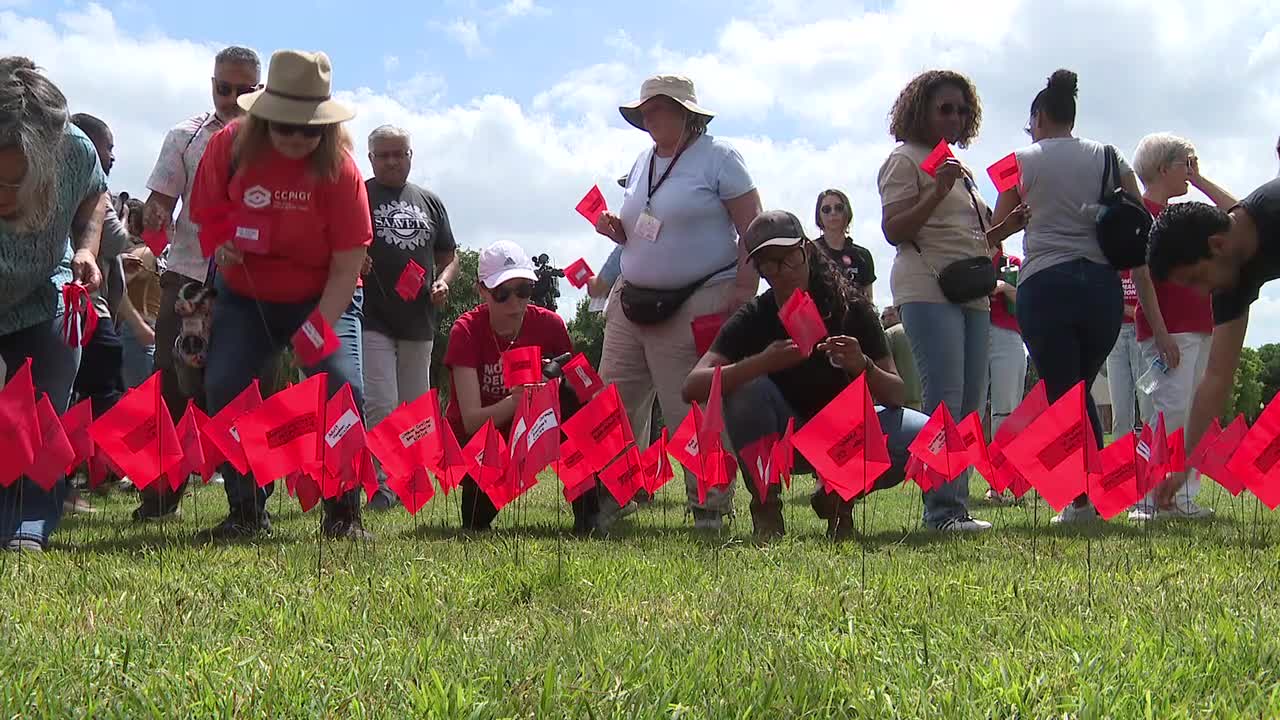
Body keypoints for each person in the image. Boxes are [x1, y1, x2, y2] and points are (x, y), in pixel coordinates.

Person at [188, 49, 372, 541]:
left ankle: (343, 512)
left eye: (308, 128)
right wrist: (221, 239)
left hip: (323, 295)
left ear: (326, 128)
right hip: (247, 297)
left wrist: (317, 328)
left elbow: (349, 262)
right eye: (283, 125)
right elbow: (205, 211)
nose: (295, 137)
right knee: (226, 386)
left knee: (340, 387)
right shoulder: (228, 146)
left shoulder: (342, 171)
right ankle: (246, 510)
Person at [683, 211, 934, 538]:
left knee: (921, 433)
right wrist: (760, 363)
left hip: (847, 436)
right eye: (769, 266)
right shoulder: (755, 315)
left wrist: (863, 365)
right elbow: (692, 386)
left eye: (789, 259)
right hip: (786, 440)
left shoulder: (852, 308)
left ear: (807, 250)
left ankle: (838, 496)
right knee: (744, 388)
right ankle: (766, 507)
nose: (783, 273)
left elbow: (897, 395)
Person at [592, 75, 762, 532]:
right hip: (631, 299)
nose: (647, 117)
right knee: (613, 402)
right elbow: (641, 230)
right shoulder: (643, 159)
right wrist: (615, 228)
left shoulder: (720, 159)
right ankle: (611, 497)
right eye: (643, 110)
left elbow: (754, 229)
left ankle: (710, 505)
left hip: (698, 295)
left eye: (657, 108)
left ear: (686, 113)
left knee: (689, 405)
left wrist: (744, 292)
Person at [877, 69, 1025, 531]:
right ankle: (942, 510)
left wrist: (1006, 228)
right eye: (946, 108)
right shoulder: (904, 161)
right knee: (945, 399)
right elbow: (894, 230)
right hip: (926, 288)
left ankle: (955, 505)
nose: (956, 117)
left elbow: (972, 237)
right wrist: (937, 188)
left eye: (962, 110)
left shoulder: (960, 170)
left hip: (971, 293)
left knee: (970, 402)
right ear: (921, 110)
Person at [991, 69, 1138, 524]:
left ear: (1038, 117)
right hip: (1100, 288)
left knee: (1065, 394)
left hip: (1045, 283)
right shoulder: (1110, 156)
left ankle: (1081, 499)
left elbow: (996, 230)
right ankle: (1089, 496)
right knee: (1080, 390)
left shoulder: (1017, 160)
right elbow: (1136, 212)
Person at [137, 45, 262, 521]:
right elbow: (160, 204)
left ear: (261, 87)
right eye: (222, 87)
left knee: (245, 390)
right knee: (170, 385)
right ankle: (159, 497)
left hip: (252, 285)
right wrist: (152, 216)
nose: (230, 98)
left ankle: (249, 506)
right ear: (211, 83)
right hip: (189, 277)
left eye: (242, 90)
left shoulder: (276, 138)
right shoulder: (185, 136)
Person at [0, 57, 108, 551]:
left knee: (45, 401)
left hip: (46, 291)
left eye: (14, 183)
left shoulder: (76, 151)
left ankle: (30, 519)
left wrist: (85, 247)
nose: (5, 196)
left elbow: (94, 198)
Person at [1144, 178, 1280, 509]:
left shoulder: (1274, 213)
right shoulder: (1230, 283)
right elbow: (1216, 377)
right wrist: (1184, 464)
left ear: (1217, 245)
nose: (1201, 293)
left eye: (1195, 279)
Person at [443, 241, 590, 532]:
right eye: (502, 293)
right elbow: (472, 421)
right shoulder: (466, 331)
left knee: (573, 398)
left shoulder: (550, 325)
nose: (515, 302)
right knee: (475, 523)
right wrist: (520, 398)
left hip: (533, 433)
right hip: (485, 443)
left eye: (524, 290)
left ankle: (590, 511)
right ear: (481, 291)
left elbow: (588, 395)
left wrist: (557, 383)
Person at [1128, 133, 1237, 521]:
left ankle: (1182, 496)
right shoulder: (1141, 212)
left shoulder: (1183, 216)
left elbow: (1235, 215)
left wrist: (1203, 181)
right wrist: (1159, 333)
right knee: (1168, 412)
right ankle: (1148, 498)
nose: (1190, 175)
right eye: (1185, 166)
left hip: (1201, 326)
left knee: (1193, 415)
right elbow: (1141, 280)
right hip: (1169, 331)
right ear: (1163, 168)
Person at [360, 125, 459, 511]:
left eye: (398, 154)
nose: (391, 161)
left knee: (416, 406)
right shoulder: (359, 195)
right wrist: (355, 258)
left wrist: (445, 283)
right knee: (382, 401)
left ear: (410, 155)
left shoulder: (430, 201)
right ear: (370, 158)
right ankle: (382, 484)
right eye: (383, 155)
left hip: (419, 318)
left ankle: (411, 482)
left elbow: (449, 256)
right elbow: (335, 241)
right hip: (371, 315)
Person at [985, 247, 1027, 501]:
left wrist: (1004, 288)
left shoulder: (1012, 263)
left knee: (1006, 411)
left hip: (1008, 335)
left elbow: (1027, 301)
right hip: (974, 332)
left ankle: (1005, 482)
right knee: (972, 410)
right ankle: (958, 484)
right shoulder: (970, 260)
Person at [116, 198, 162, 389]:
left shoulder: (137, 254)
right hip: (144, 329)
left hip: (135, 331)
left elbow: (114, 287)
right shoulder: (149, 254)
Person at [1106, 269, 1150, 437]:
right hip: (1116, 335)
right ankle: (1122, 462)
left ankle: (1152, 460)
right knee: (1120, 413)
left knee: (1149, 408)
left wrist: (1120, 306)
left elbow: (1152, 305)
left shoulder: (1145, 262)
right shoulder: (1111, 264)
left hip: (1143, 336)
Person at [814, 188, 875, 299]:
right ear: (819, 217)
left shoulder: (863, 256)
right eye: (826, 209)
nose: (833, 212)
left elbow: (869, 300)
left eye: (839, 208)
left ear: (847, 212)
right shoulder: (810, 252)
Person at [880, 305, 921, 411]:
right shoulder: (918, 331)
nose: (886, 319)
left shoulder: (888, 335)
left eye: (890, 315)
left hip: (899, 405)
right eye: (883, 317)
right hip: (921, 401)